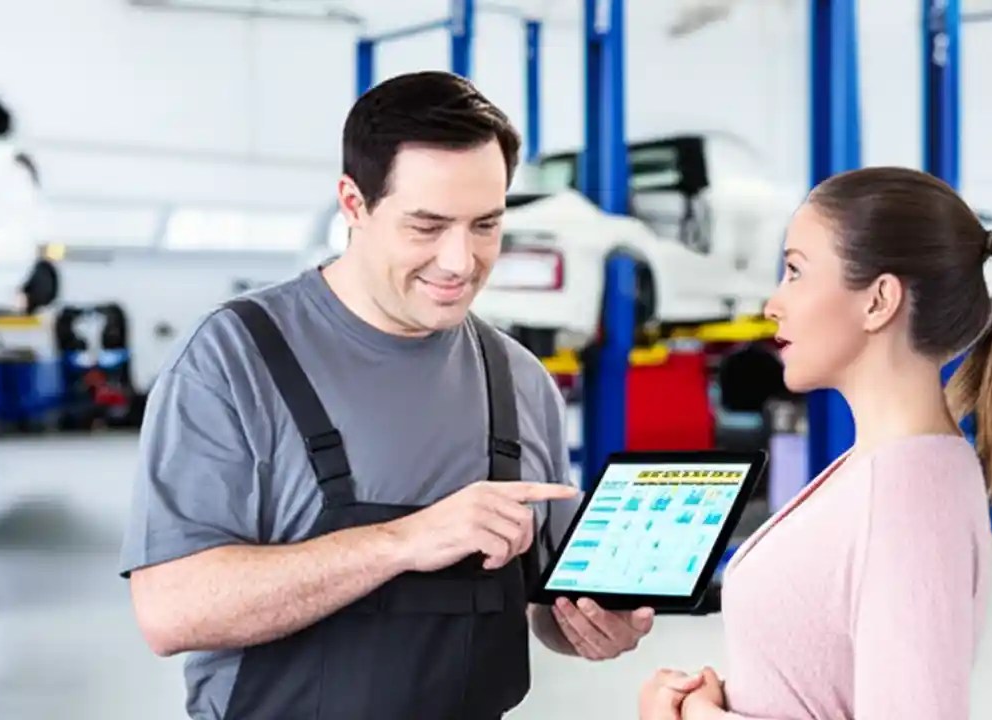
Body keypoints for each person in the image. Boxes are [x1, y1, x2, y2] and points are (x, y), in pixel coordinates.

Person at [120, 70, 655, 720]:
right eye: (427, 226)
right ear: (353, 203)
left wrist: (583, 626)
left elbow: (541, 606)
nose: (461, 261)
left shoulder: (517, 380)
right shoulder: (233, 359)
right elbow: (171, 610)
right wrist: (402, 541)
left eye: (485, 225)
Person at [638, 166, 992, 720]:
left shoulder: (907, 496)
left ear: (878, 300)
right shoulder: (886, 465)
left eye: (795, 271)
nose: (773, 303)